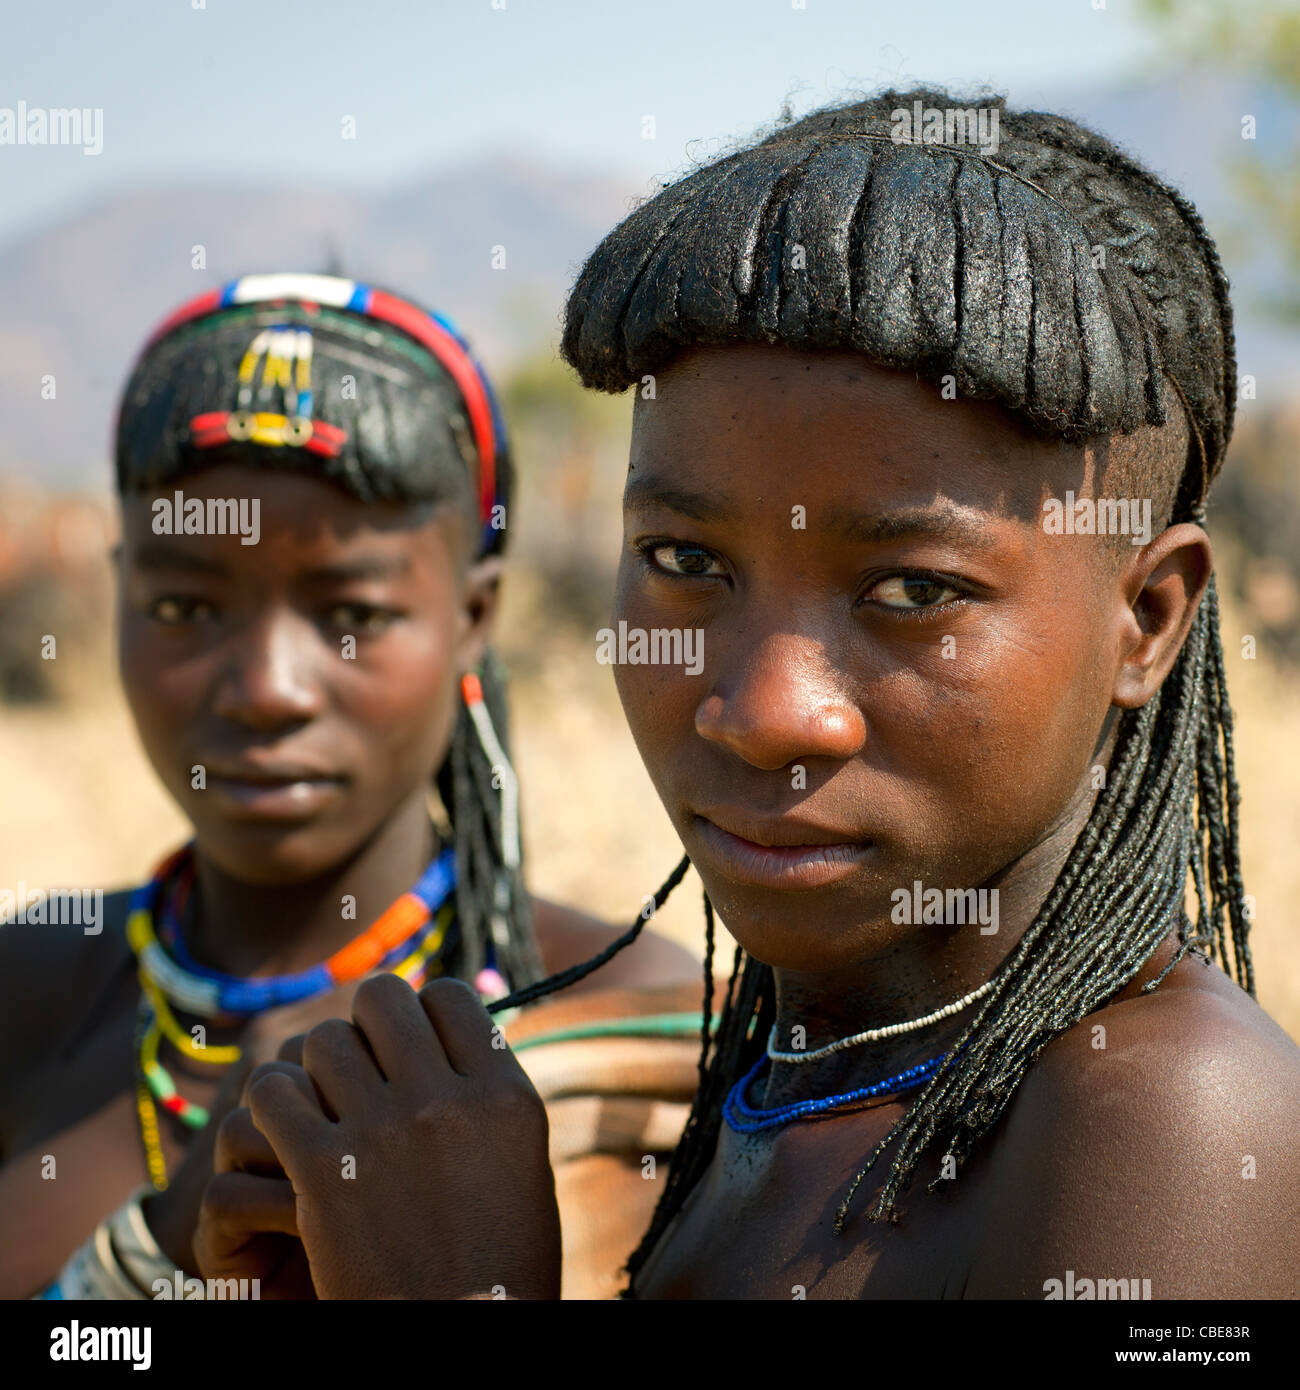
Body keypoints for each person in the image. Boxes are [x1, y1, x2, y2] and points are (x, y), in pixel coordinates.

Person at [196, 91, 1300, 1300]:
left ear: (1144, 620)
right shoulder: (789, 1070)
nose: (766, 709)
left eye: (913, 587)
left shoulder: (1167, 1115)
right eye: (684, 563)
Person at [0, 273, 699, 1301]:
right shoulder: (30, 986)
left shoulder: (622, 1023)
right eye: (187, 604)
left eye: (352, 615)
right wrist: (162, 1242)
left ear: (473, 614)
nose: (265, 690)